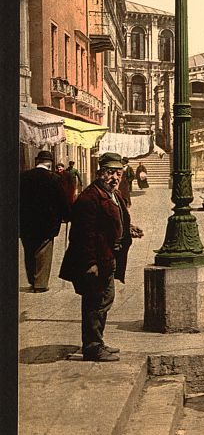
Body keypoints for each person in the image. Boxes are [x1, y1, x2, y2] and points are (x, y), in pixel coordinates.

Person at [58, 152, 143, 361]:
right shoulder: (90, 198)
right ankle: (93, 347)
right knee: (95, 302)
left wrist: (127, 228)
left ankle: (98, 341)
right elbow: (83, 235)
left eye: (118, 173)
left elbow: (111, 219)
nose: (115, 178)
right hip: (96, 260)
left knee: (105, 299)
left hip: (107, 258)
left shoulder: (113, 194)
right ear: (100, 173)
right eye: (110, 173)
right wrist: (90, 263)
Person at [19, 150, 71, 292]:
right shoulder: (54, 178)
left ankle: (32, 280)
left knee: (29, 251)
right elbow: (62, 200)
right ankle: (40, 284)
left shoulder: (23, 177)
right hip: (46, 223)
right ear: (50, 163)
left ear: (37, 162)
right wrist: (67, 216)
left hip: (25, 223)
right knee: (43, 252)